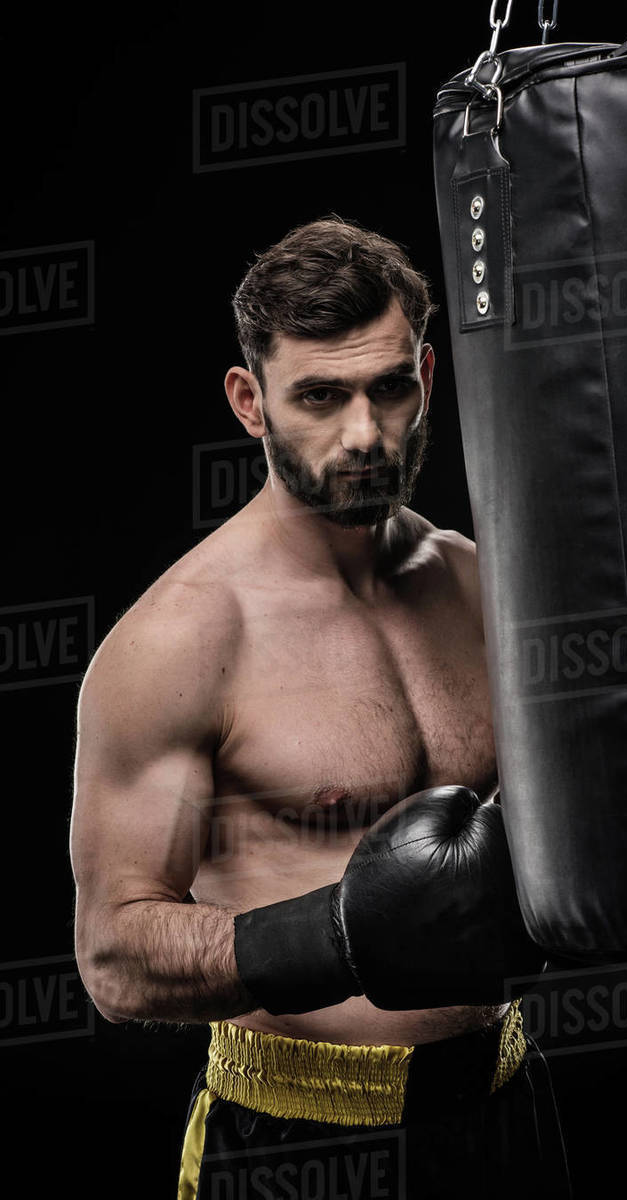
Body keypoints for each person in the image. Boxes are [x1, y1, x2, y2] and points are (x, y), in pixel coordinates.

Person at [69, 216, 569, 1199]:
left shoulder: (478, 584)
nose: (363, 433)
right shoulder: (184, 638)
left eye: (389, 387)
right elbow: (115, 956)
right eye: (320, 397)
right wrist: (340, 934)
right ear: (250, 402)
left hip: (505, 1099)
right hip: (296, 1138)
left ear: (427, 372)